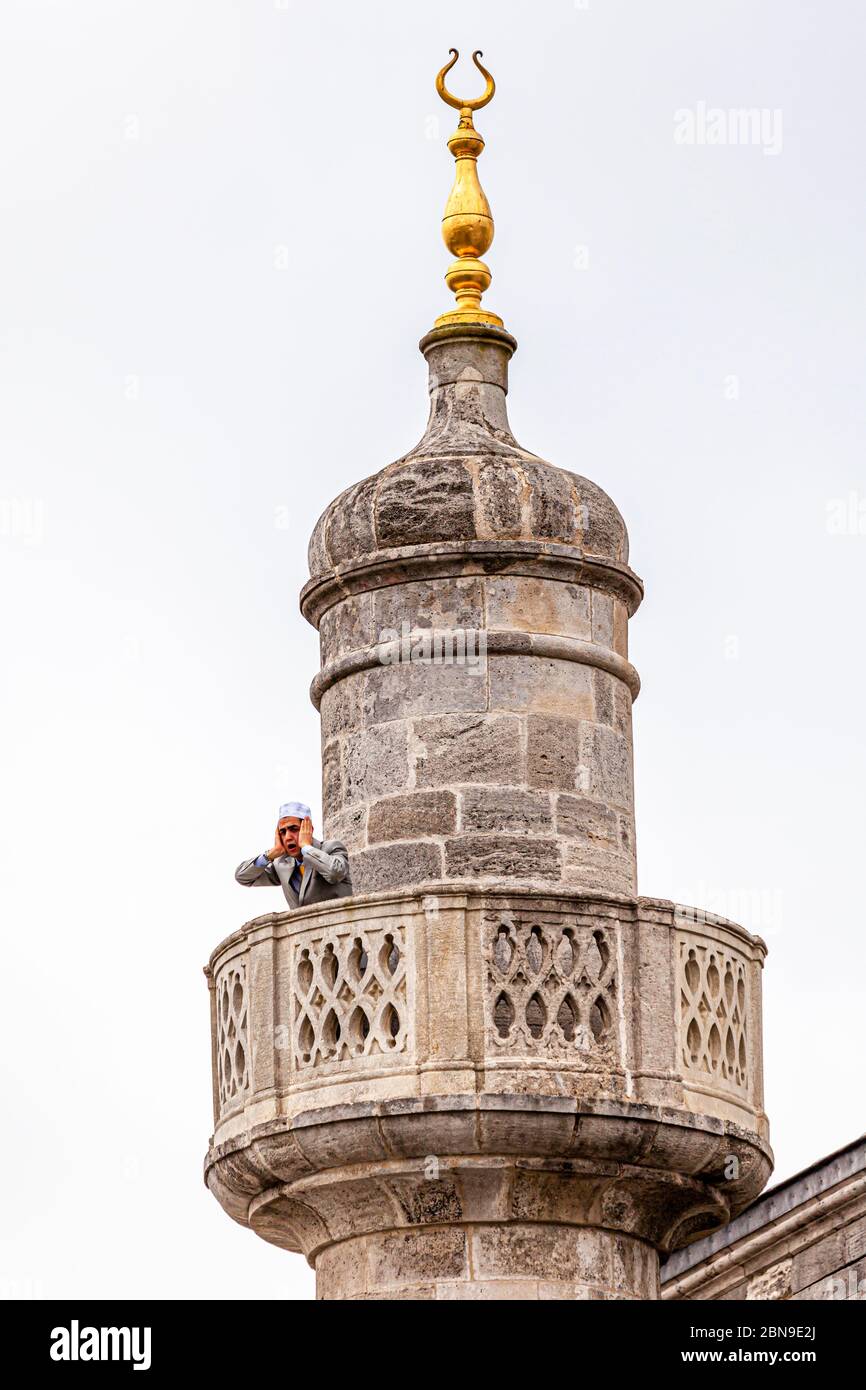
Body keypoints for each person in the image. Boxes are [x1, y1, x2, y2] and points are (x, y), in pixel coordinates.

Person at [235, 801, 352, 910]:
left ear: (308, 829)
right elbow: (242, 877)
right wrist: (270, 855)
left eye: (293, 829)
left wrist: (306, 848)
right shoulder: (281, 863)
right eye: (283, 832)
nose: (288, 837)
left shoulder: (331, 848)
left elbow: (335, 873)